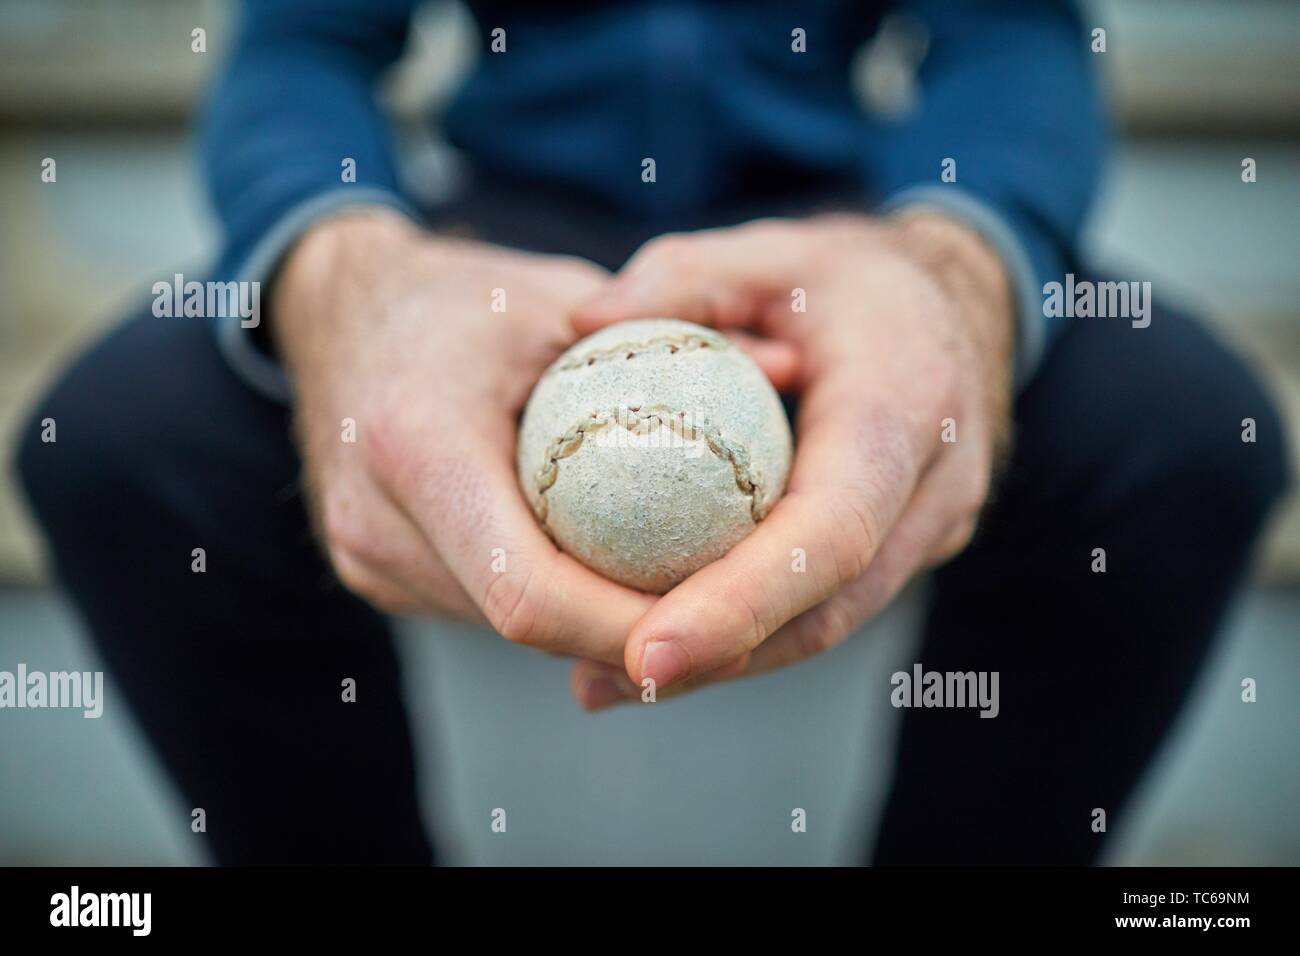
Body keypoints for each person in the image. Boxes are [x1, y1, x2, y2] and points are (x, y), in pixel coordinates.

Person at [15, 0, 1289, 864]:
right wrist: (340, 264)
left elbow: (1011, 37)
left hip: (832, 232)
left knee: (1179, 429)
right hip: (501, 225)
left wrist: (953, 262)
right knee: (124, 433)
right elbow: (301, 46)